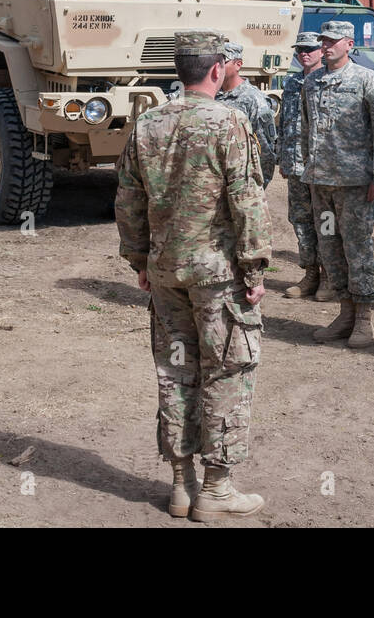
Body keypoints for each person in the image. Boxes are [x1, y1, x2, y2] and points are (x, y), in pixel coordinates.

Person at [115, 29, 271, 521]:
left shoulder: (147, 125)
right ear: (215, 70)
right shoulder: (230, 122)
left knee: (176, 373)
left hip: (166, 274)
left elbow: (128, 200)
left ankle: (181, 486)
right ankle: (217, 489)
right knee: (227, 370)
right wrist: (254, 268)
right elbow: (247, 201)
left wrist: (140, 260)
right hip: (218, 276)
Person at [301, 21, 374, 348]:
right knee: (330, 246)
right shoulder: (312, 82)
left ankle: (364, 318)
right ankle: (344, 311)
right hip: (321, 184)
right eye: (323, 40)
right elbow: (305, 128)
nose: (325, 46)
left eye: (332, 41)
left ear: (349, 43)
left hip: (355, 184)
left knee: (357, 249)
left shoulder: (367, 80)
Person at [279, 32, 331, 301]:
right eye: (300, 49)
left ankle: (329, 276)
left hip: (321, 167)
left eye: (309, 49)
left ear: (321, 50)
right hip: (295, 165)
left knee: (325, 223)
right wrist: (284, 158)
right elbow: (285, 122)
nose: (304, 53)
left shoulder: (327, 81)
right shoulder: (292, 81)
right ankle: (310, 273)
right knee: (301, 221)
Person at [218, 42, 277, 187]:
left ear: (238, 64)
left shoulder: (254, 99)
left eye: (223, 62)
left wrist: (259, 186)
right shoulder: (211, 94)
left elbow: (266, 150)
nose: (217, 67)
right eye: (215, 62)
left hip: (241, 182)